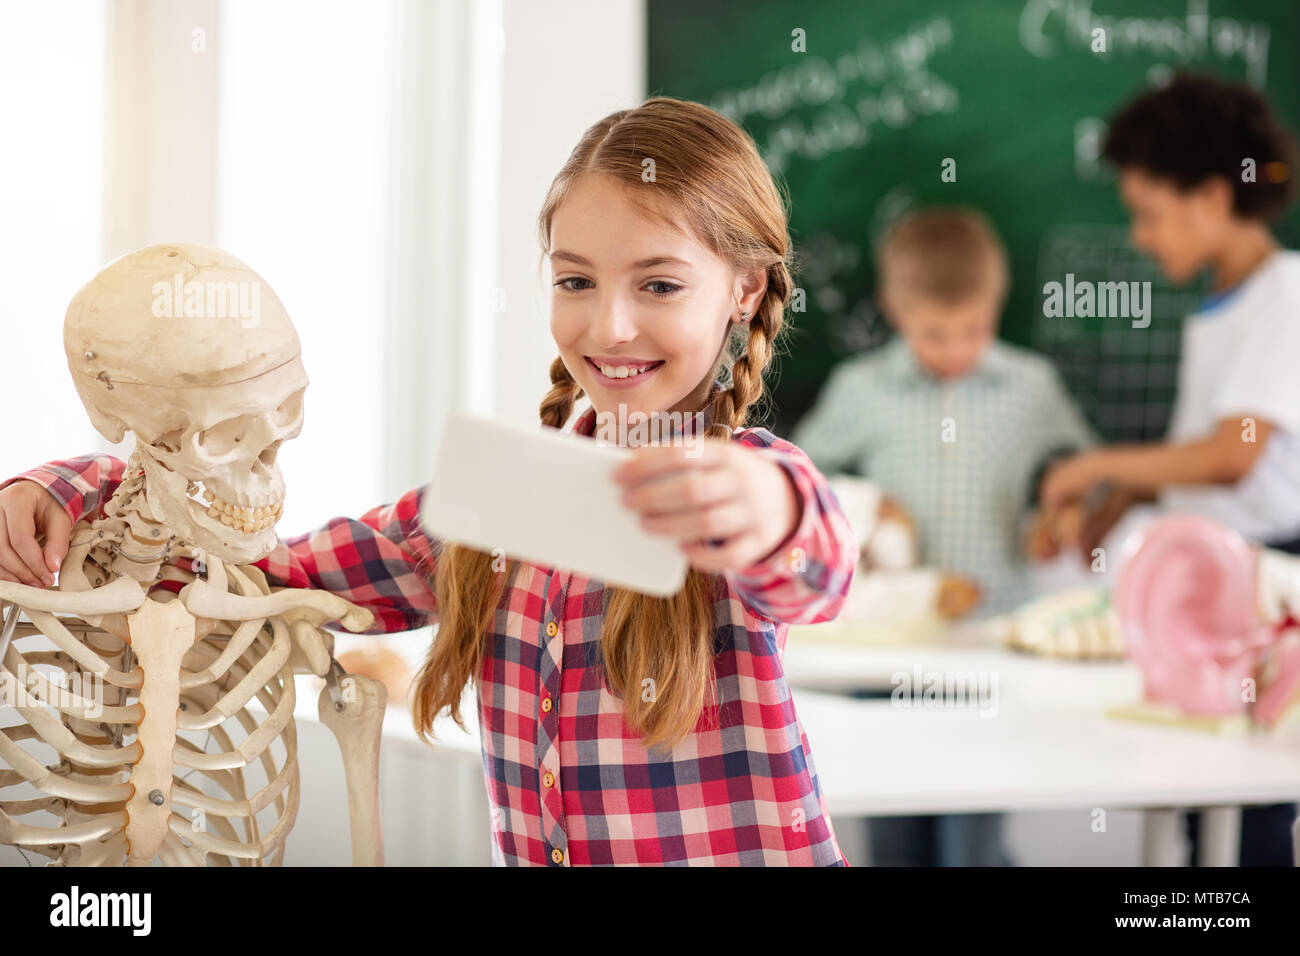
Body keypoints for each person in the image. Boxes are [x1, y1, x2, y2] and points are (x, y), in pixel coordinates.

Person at [0, 97, 859, 866]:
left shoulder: (745, 489)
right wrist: (75, 486)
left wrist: (765, 509)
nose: (609, 324)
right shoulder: (502, 504)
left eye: (660, 284)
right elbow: (261, 569)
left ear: (745, 290)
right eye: (574, 281)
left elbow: (818, 562)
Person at [1040, 72, 1300, 867]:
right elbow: (1195, 455)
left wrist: (1094, 465)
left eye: (1150, 214)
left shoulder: (1284, 295)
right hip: (1213, 591)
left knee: (1246, 813)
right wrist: (1117, 496)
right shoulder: (1222, 304)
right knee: (1199, 804)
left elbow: (1232, 454)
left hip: (1266, 586)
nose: (1143, 238)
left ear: (1215, 198)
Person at [792, 206, 1098, 865]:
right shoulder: (861, 390)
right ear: (895, 310)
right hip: (885, 650)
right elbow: (803, 488)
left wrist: (1062, 515)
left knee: (973, 845)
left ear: (997, 305)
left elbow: (1081, 474)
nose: (957, 350)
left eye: (974, 330)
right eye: (936, 334)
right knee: (897, 834)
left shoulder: (1032, 388)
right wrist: (870, 509)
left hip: (992, 645)